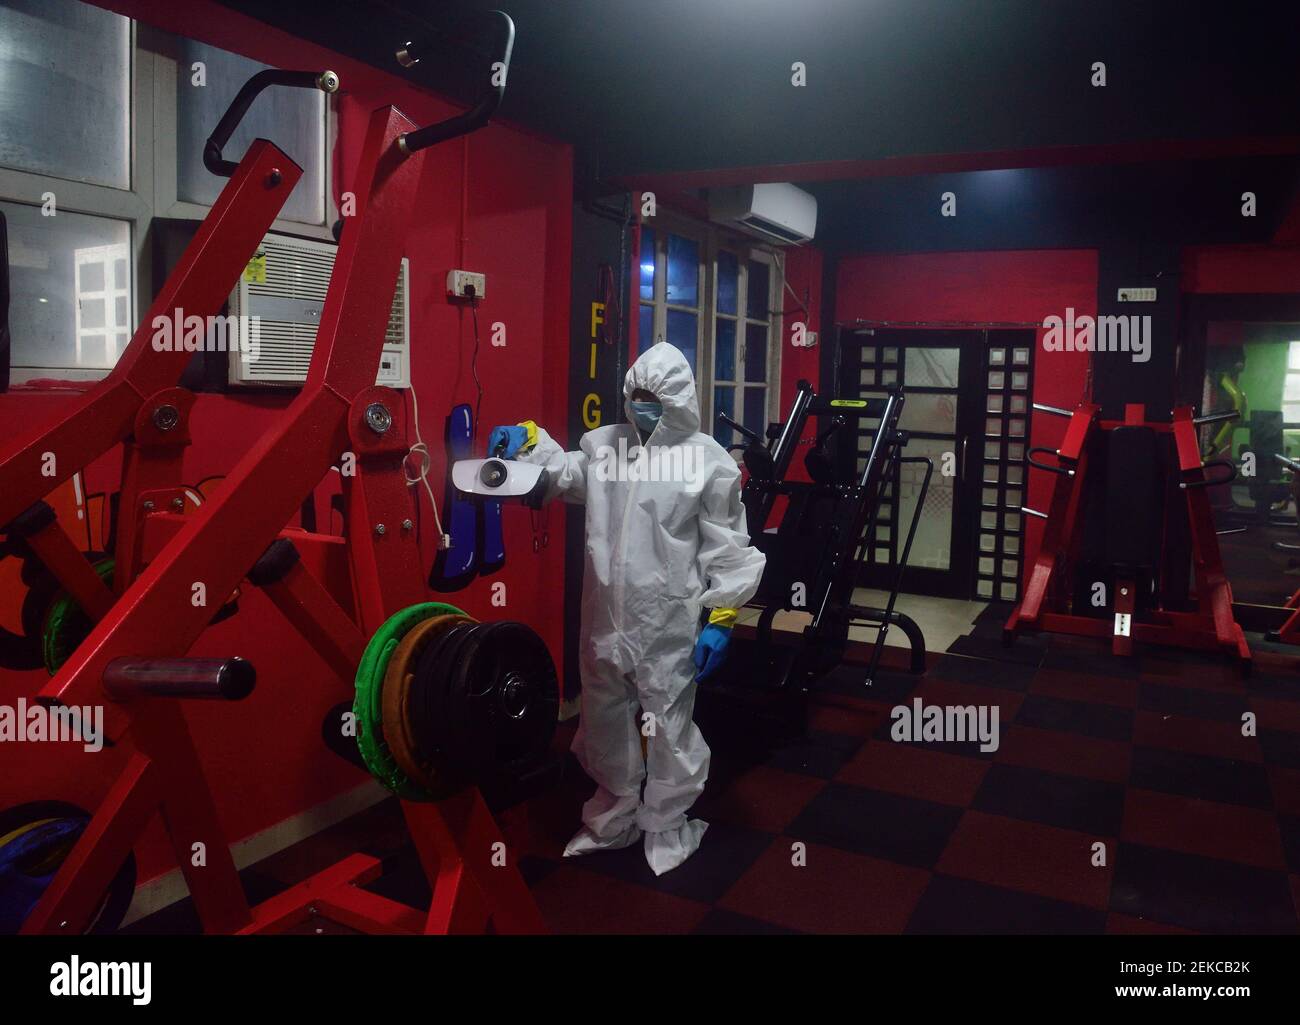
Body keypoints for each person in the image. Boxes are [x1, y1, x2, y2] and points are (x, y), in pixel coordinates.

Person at [488, 342, 766, 875]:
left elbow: (729, 544)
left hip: (667, 620)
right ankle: (612, 818)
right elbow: (562, 474)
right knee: (605, 719)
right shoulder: (603, 448)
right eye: (637, 396)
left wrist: (723, 618)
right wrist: (526, 438)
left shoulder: (706, 460)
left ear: (678, 400)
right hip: (604, 620)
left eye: (655, 399)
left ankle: (666, 826)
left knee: (667, 726)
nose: (643, 407)